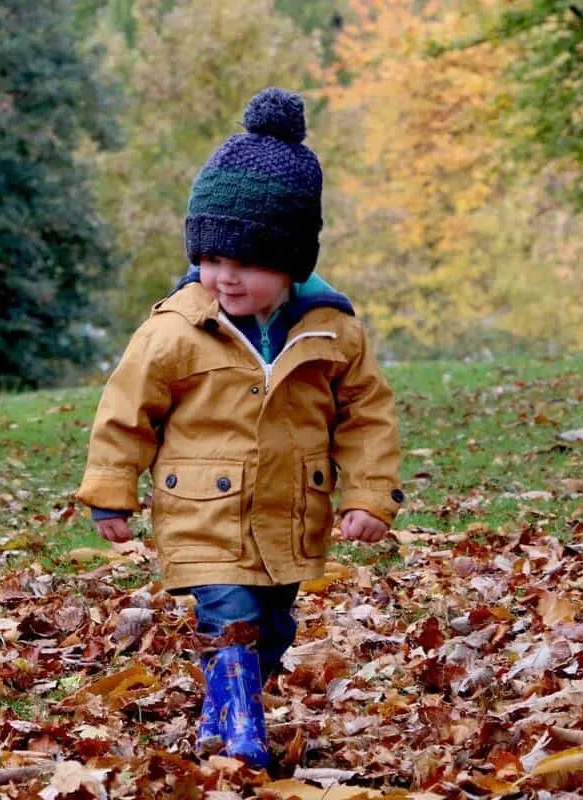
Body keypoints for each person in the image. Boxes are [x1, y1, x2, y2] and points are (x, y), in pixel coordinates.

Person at [74, 87, 403, 768]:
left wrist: (369, 497)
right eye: (212, 258)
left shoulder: (332, 332)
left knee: (275, 628)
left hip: (288, 517)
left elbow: (366, 417)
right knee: (231, 618)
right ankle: (244, 734)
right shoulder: (176, 330)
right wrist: (111, 487)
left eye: (246, 263)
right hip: (201, 511)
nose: (224, 277)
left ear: (290, 263)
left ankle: (221, 714)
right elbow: (127, 406)